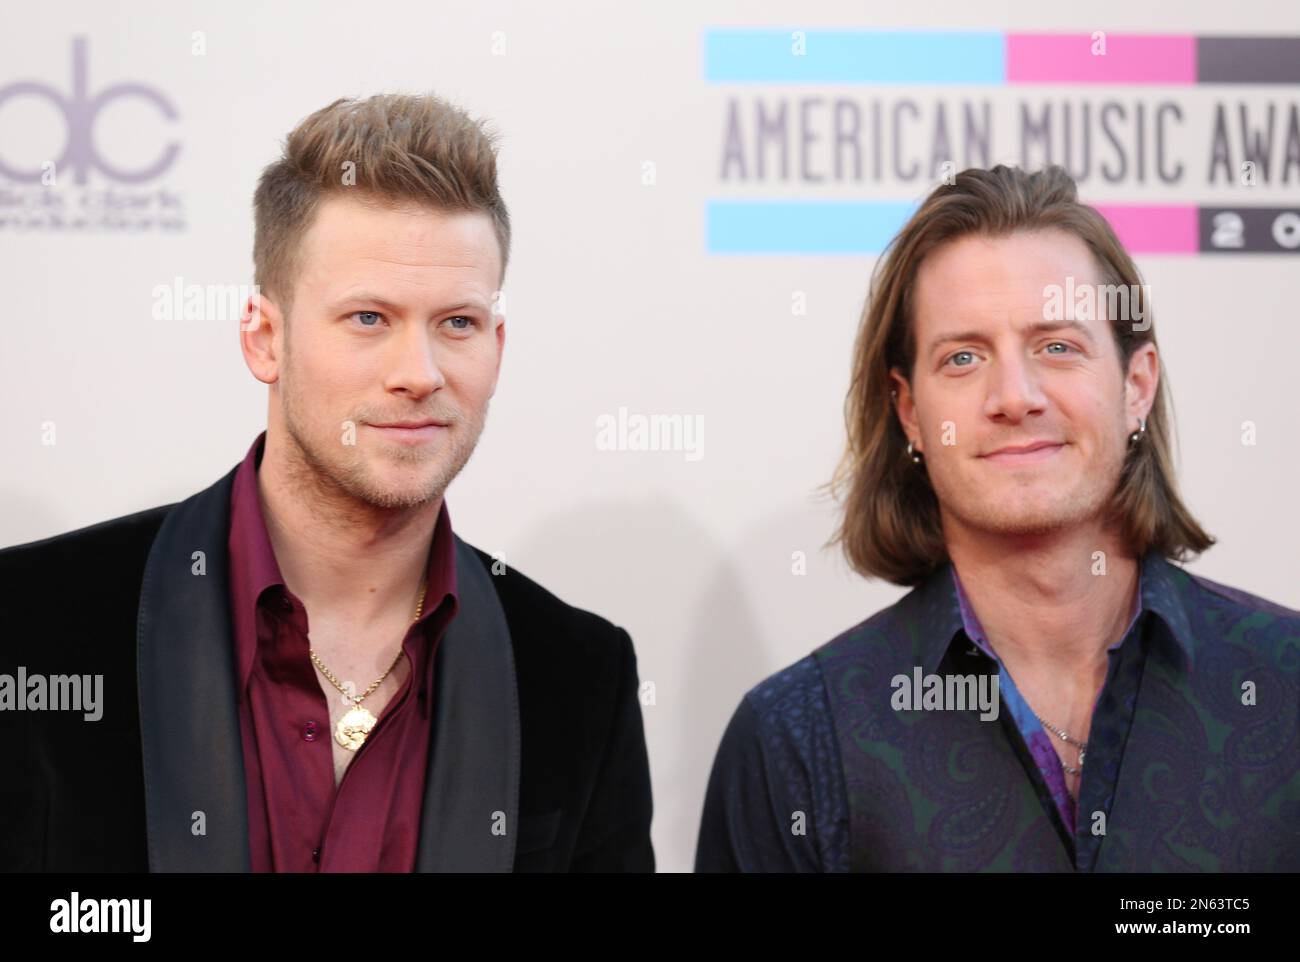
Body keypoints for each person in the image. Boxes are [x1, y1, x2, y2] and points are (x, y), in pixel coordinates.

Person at [0, 93, 653, 873]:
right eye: (369, 319)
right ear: (264, 340)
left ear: (497, 344)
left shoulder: (578, 677)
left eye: (458, 324)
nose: (420, 374)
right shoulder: (30, 623)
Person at [695, 164, 1300, 872]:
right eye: (962, 357)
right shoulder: (795, 741)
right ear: (910, 412)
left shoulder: (1286, 689)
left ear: (1136, 386)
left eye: (1057, 346)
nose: (1014, 397)